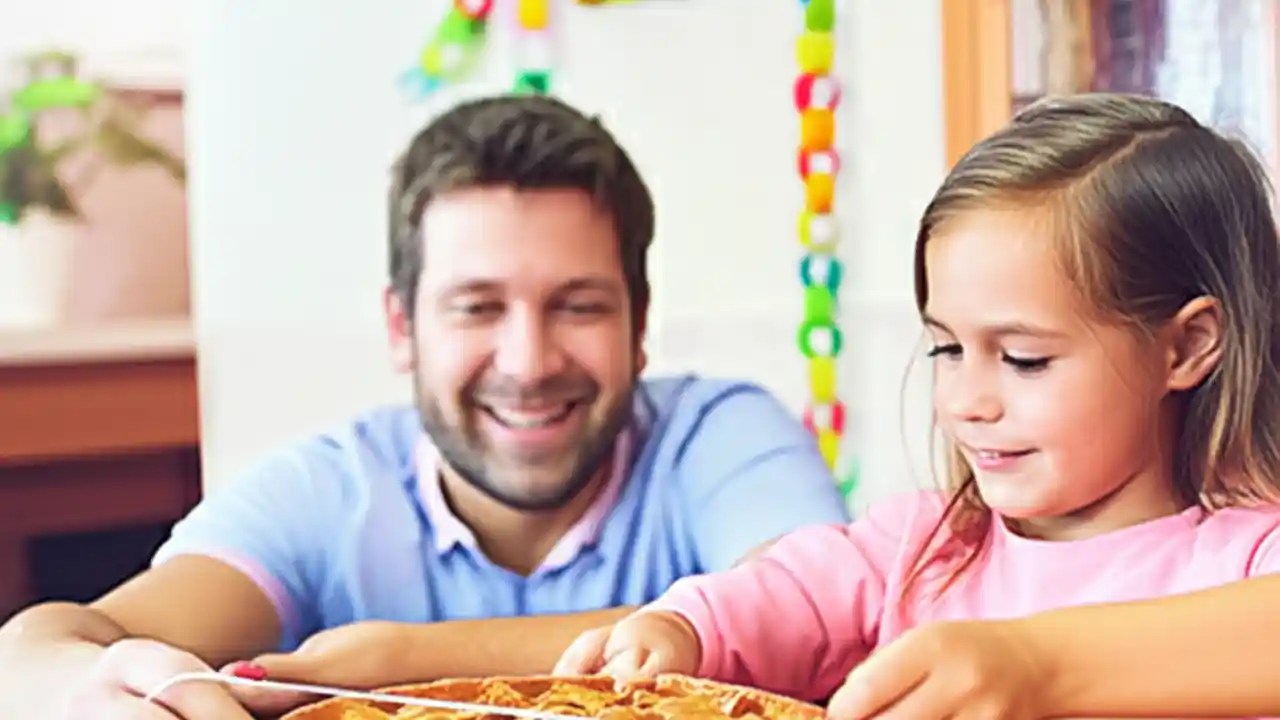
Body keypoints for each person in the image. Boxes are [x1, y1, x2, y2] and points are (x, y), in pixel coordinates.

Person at [0, 94, 851, 718]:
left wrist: (397, 659)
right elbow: (73, 637)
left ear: (640, 325)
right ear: (401, 327)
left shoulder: (725, 437)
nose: (528, 361)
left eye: (579, 305)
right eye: (477, 307)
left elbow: (823, 620)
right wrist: (68, 684)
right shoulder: (327, 490)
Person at [555, 92, 1280, 719]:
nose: (966, 402)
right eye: (947, 350)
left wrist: (1031, 662)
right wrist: (682, 629)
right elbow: (784, 592)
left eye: (1024, 359)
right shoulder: (921, 549)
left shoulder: (1247, 556)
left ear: (1185, 348)